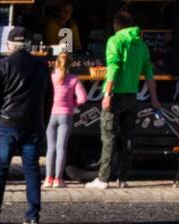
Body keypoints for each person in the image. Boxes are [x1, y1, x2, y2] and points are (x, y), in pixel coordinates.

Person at [0, 27, 50, 224]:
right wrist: (43, 121)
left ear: (9, 45)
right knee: (32, 170)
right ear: (26, 45)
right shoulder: (42, 66)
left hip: (7, 123)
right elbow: (48, 97)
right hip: (33, 125)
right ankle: (32, 216)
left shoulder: (3, 65)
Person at [86, 12, 161, 190]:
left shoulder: (115, 41)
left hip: (115, 96)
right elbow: (149, 74)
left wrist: (107, 93)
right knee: (128, 137)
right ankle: (123, 177)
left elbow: (113, 68)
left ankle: (103, 178)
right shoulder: (141, 45)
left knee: (108, 136)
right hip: (132, 96)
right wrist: (154, 98)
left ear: (116, 25)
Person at [45, 52, 86, 188]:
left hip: (50, 115)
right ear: (70, 65)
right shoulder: (73, 79)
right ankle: (58, 179)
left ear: (56, 63)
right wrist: (72, 105)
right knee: (61, 147)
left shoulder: (49, 78)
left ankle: (47, 179)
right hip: (65, 116)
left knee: (50, 148)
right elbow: (83, 98)